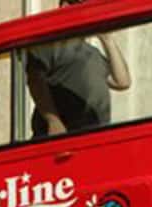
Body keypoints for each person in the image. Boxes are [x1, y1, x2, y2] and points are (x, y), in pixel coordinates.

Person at [27, 0, 131, 137]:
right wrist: (53, 121)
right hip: (64, 136)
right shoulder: (50, 44)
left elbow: (122, 81)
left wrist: (107, 39)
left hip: (95, 137)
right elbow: (35, 81)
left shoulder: (92, 53)